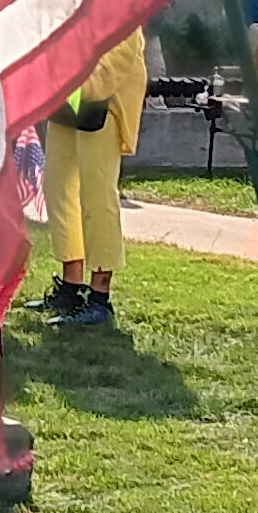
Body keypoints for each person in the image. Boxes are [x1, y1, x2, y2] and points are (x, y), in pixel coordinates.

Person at [38, 31, 148, 329]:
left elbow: (109, 71)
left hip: (105, 106)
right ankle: (70, 288)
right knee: (58, 190)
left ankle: (100, 298)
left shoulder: (125, 8)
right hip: (68, 97)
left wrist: (60, 82)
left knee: (97, 198)